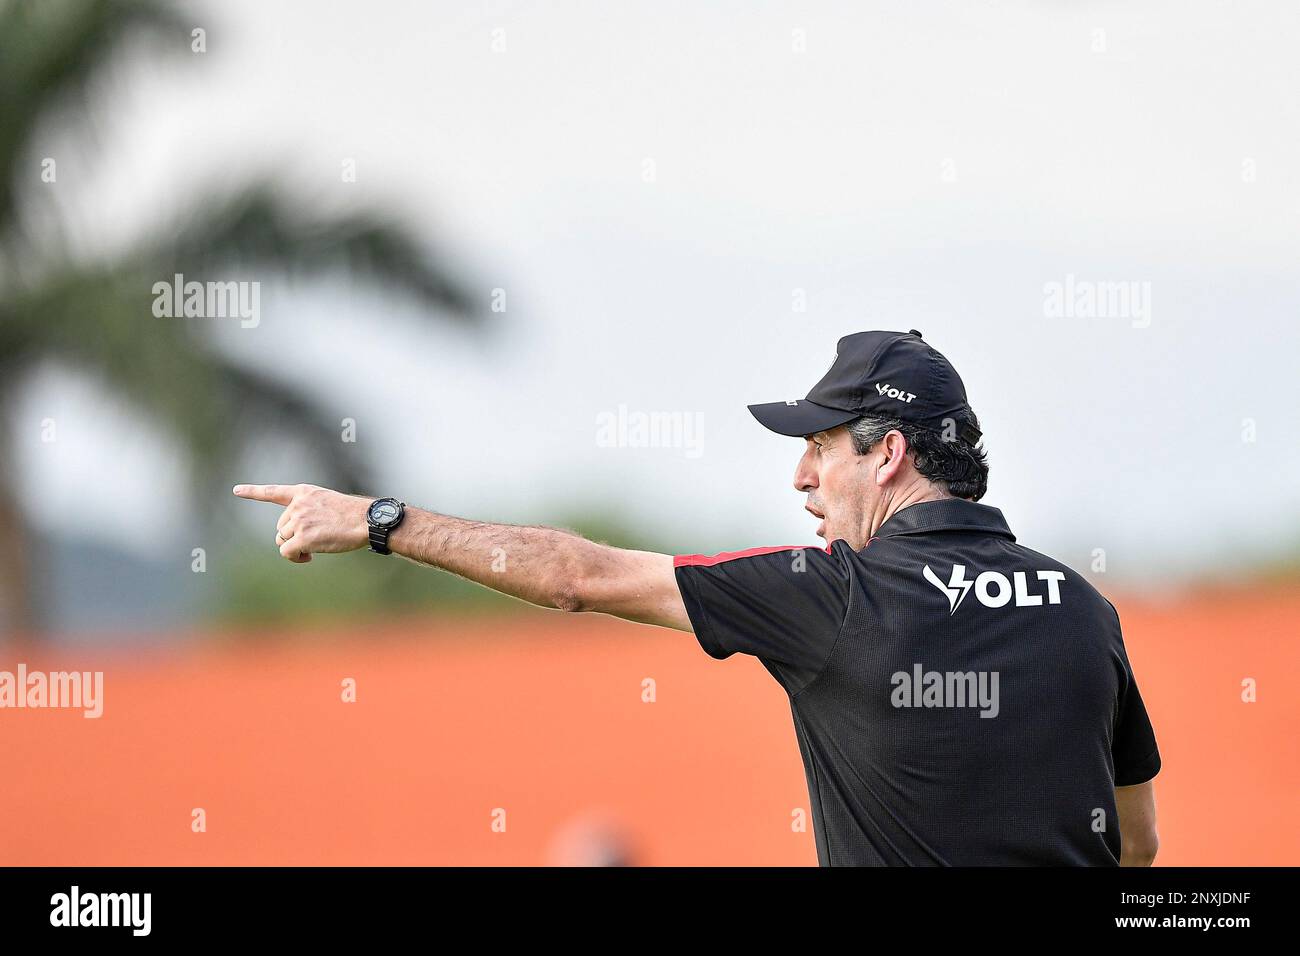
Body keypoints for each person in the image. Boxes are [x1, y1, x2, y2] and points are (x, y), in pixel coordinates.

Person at [234, 329, 1161, 866]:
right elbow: (1138, 844)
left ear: (888, 455)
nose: (802, 476)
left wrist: (381, 519)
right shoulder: (1086, 609)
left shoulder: (835, 593)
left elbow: (575, 575)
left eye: (822, 447)